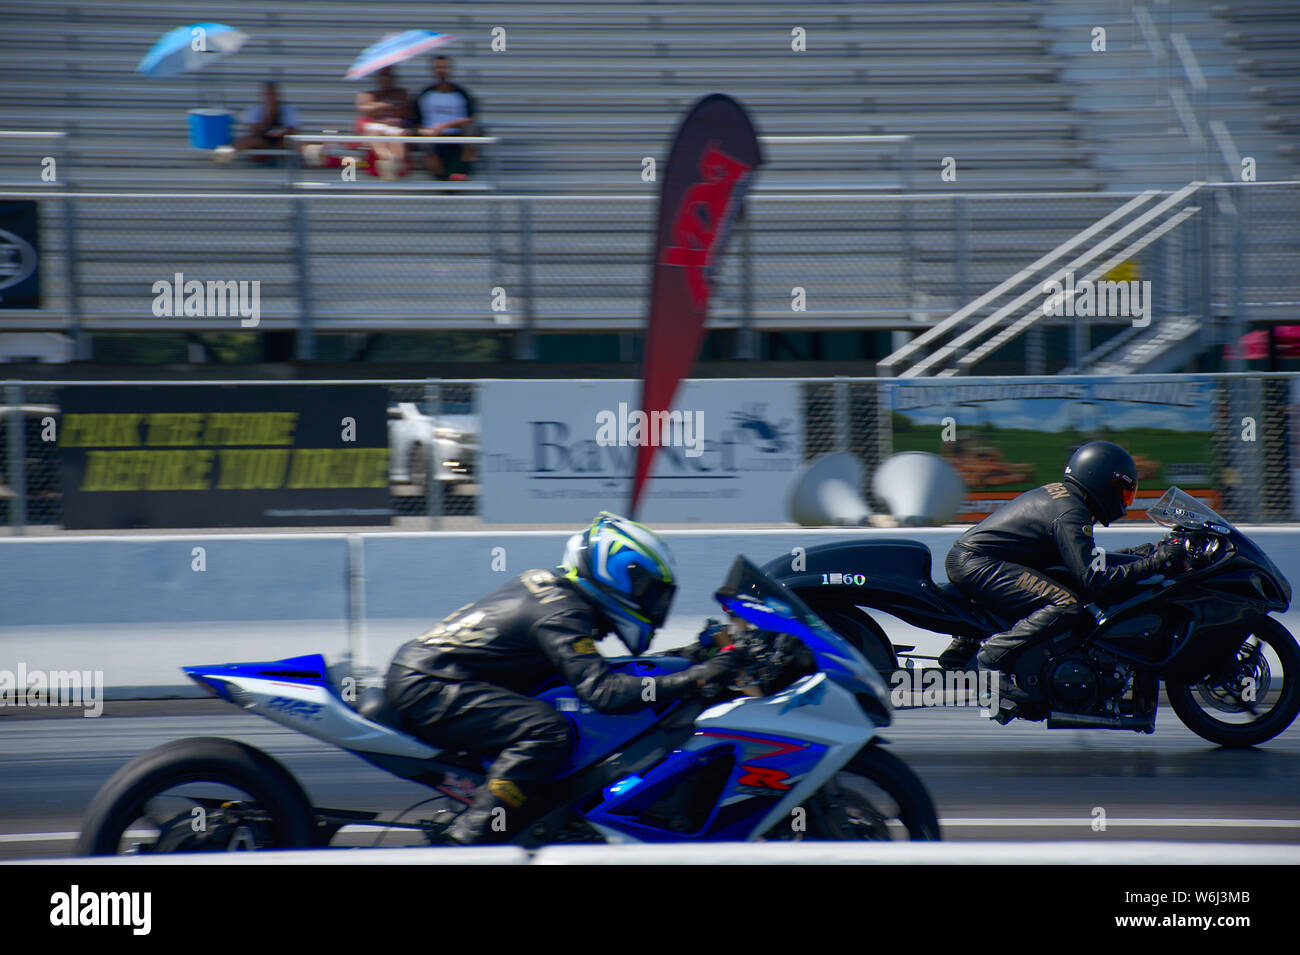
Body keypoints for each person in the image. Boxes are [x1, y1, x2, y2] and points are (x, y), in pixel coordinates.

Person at [383, 511, 744, 845]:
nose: (654, 605)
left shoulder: (561, 597)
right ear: (615, 572)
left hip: (432, 675)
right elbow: (605, 692)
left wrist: (689, 657)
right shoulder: (562, 610)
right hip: (430, 684)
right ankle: (469, 839)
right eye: (647, 590)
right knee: (546, 731)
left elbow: (600, 669)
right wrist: (697, 678)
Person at [937, 442, 1186, 685]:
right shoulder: (1071, 512)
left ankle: (967, 644)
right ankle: (990, 659)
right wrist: (1156, 562)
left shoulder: (1066, 498)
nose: (1124, 500)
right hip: (979, 563)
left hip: (975, 559)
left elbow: (1080, 559)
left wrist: (1136, 553)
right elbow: (1093, 578)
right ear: (1098, 477)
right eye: (1123, 491)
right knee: (1066, 604)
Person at [414, 54, 478, 181]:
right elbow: (416, 121)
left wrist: (445, 125)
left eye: (444, 67)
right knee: (425, 142)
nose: (441, 70)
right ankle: (443, 181)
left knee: (474, 131)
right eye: (438, 67)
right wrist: (425, 130)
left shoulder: (461, 93)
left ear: (450, 69)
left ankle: (459, 173)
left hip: (457, 135)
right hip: (433, 136)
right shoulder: (425, 94)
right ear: (432, 70)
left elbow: (471, 119)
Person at [215, 81, 300, 164]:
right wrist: (270, 115)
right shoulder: (255, 110)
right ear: (262, 95)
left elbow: (294, 130)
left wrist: (282, 132)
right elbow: (255, 131)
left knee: (295, 142)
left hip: (281, 142)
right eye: (268, 94)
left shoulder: (288, 110)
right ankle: (224, 156)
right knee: (247, 140)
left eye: (272, 94)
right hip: (262, 142)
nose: (270, 97)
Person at [356, 67, 413, 179]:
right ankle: (387, 159)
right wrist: (391, 106)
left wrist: (377, 106)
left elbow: (405, 108)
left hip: (395, 126)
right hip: (376, 126)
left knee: (396, 135)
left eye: (388, 76)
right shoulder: (368, 95)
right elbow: (364, 109)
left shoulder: (401, 92)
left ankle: (395, 162)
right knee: (374, 132)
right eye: (383, 76)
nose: (385, 79)